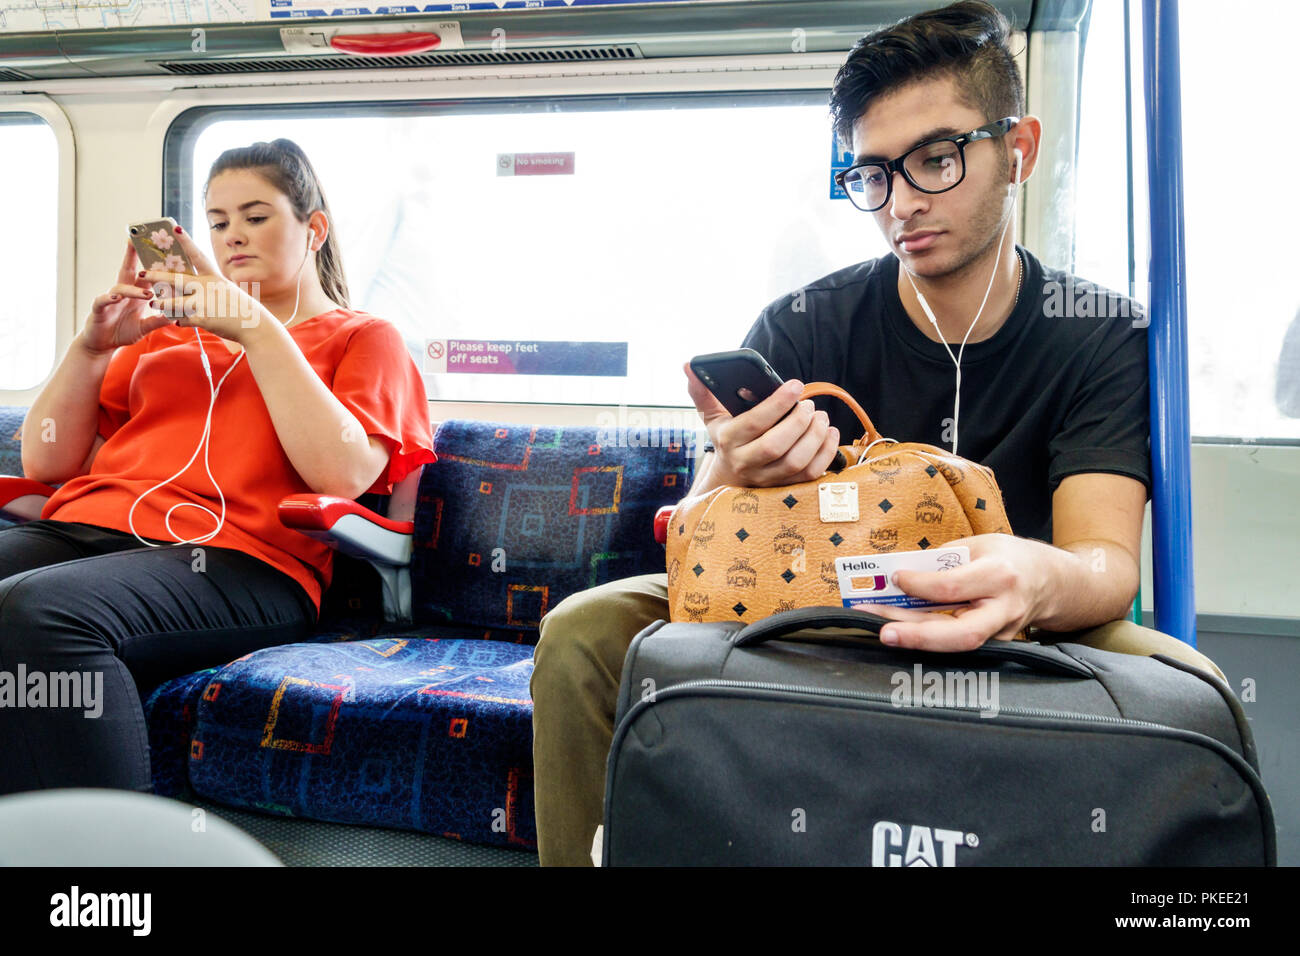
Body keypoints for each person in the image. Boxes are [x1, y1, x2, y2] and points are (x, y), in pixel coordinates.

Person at [529, 0, 1227, 867]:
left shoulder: (1097, 335)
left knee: (1189, 684)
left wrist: (1033, 576)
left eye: (937, 159)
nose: (901, 204)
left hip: (1021, 624)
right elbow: (692, 538)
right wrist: (728, 476)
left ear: (1020, 149)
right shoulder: (803, 325)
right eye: (872, 175)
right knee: (584, 633)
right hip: (803, 608)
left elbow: (1103, 563)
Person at [0, 138, 435, 796]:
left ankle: (102, 865)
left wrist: (256, 328)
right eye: (219, 221)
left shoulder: (361, 338)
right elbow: (47, 458)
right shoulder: (168, 336)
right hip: (91, 532)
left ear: (312, 228)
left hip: (240, 561)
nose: (233, 236)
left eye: (256, 217)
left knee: (41, 611)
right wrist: (91, 348)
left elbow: (341, 476)